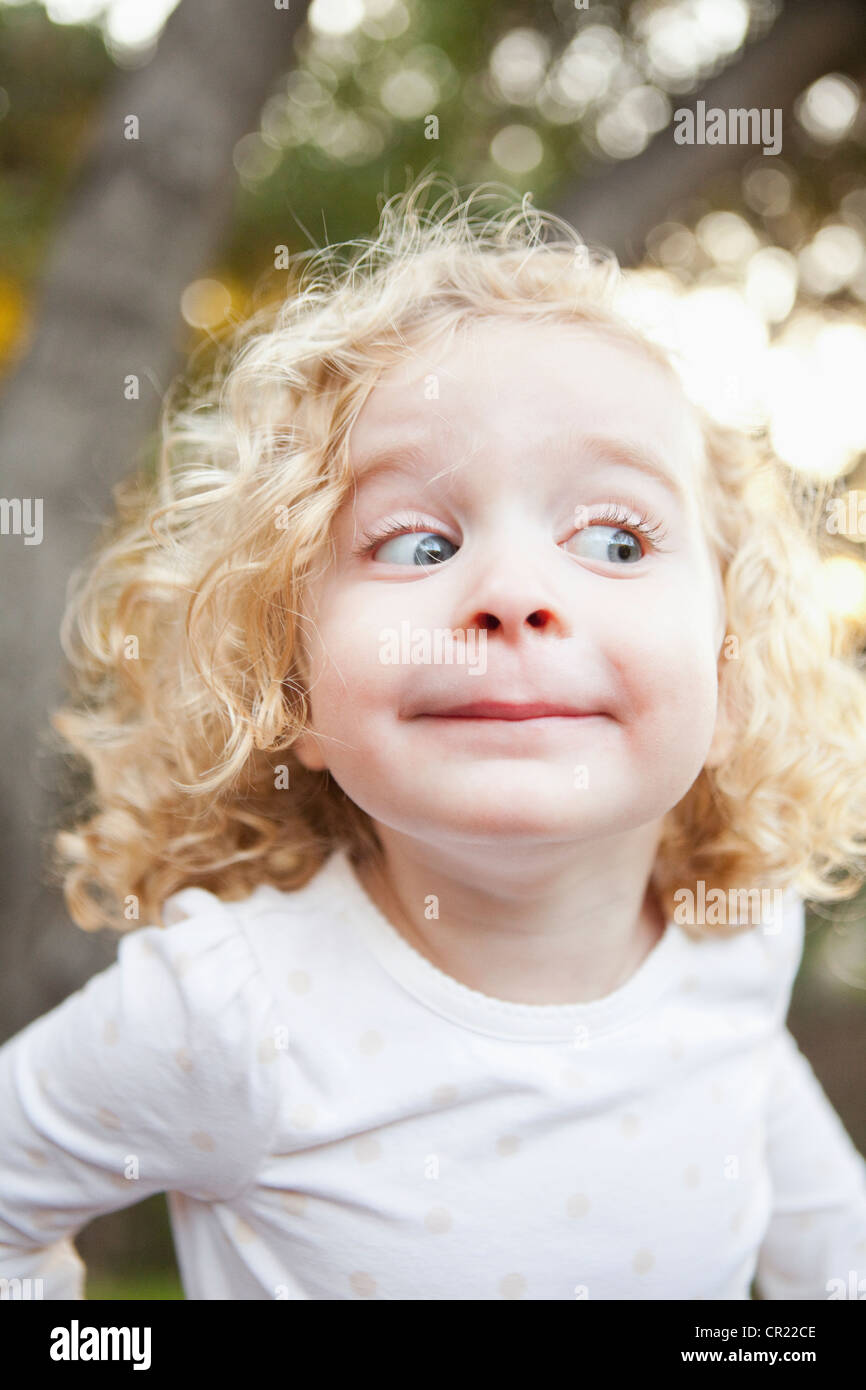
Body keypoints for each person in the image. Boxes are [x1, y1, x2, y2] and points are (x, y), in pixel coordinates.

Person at [2, 175, 865, 1300]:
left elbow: (821, 1233)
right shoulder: (230, 1013)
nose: (511, 592)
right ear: (290, 688)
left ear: (730, 671)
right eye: (417, 544)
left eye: (613, 540)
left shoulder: (735, 940)